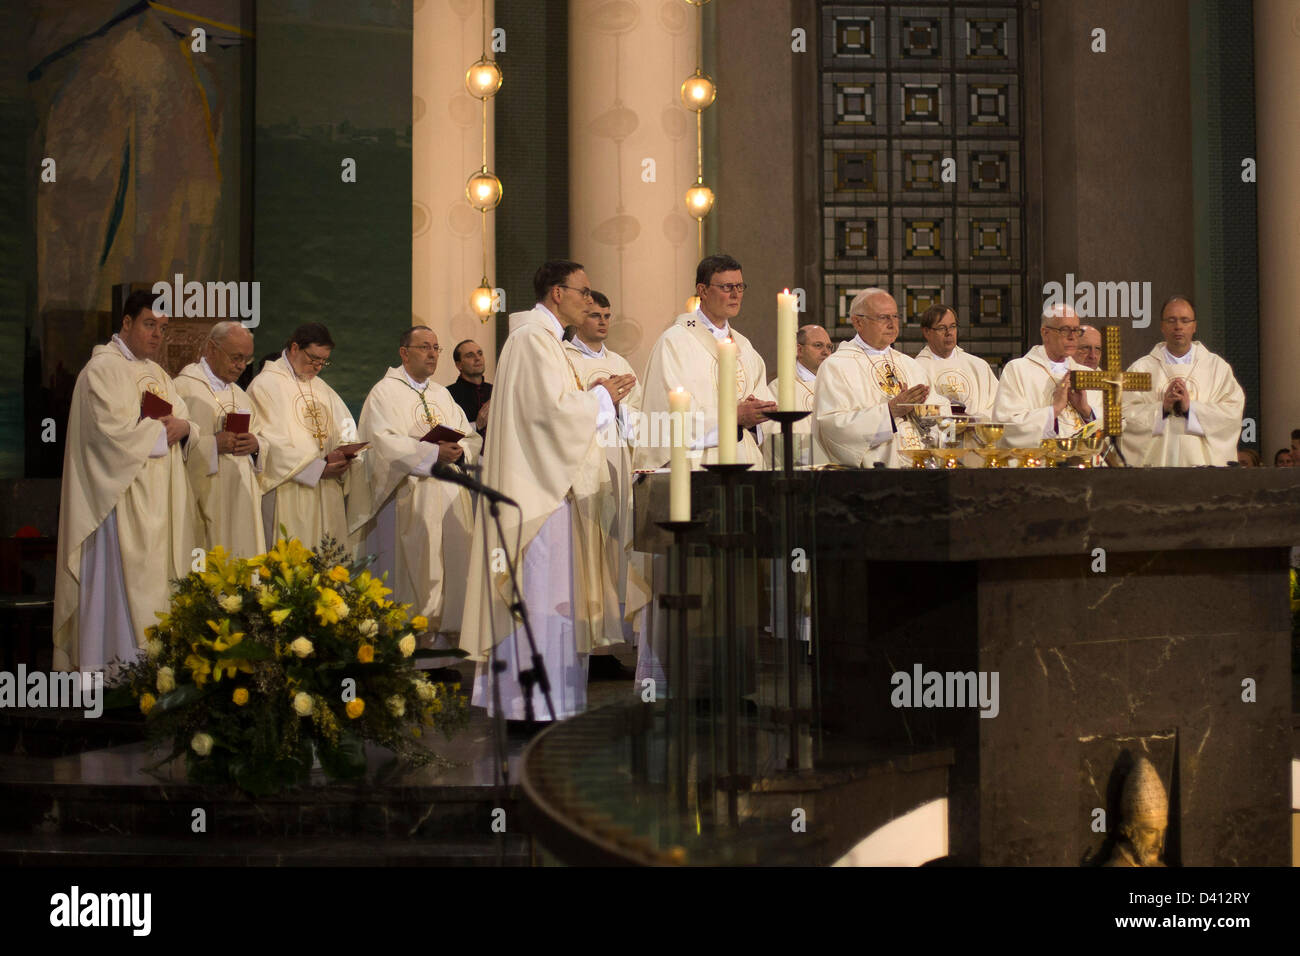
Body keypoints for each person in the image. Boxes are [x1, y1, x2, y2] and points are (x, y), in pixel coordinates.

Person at [461, 260, 625, 723]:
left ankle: (546, 703)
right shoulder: (534, 339)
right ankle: (527, 706)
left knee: (552, 602)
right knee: (538, 598)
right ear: (558, 293)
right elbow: (547, 418)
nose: (590, 301)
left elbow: (554, 409)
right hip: (537, 497)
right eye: (584, 292)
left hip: (551, 491)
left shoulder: (546, 341)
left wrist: (596, 394)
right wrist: (602, 397)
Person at [53, 290, 200, 672]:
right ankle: (108, 675)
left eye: (163, 328)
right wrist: (155, 432)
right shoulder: (101, 369)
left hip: (159, 502)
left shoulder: (160, 375)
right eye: (150, 324)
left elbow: (183, 420)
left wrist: (184, 427)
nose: (157, 336)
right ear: (127, 323)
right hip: (116, 504)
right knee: (116, 591)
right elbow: (107, 434)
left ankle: (154, 678)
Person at [350, 326, 479, 642]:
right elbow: (380, 444)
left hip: (449, 497)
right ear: (404, 352)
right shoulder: (384, 393)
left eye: (436, 347)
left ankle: (444, 656)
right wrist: (432, 451)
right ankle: (413, 653)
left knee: (450, 571)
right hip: (410, 498)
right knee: (418, 573)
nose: (433, 353)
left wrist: (461, 451)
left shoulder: (441, 394)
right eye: (424, 347)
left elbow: (471, 436)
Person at [635, 254, 778, 470]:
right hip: (698, 466)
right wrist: (733, 416)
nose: (735, 295)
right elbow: (666, 416)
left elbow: (763, 413)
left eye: (740, 287)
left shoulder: (745, 347)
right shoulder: (675, 342)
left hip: (746, 463)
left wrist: (758, 412)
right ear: (702, 291)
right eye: (727, 287)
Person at [563, 291, 641, 656]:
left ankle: (610, 645)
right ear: (580, 318)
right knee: (585, 551)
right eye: (595, 315)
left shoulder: (620, 362)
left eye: (608, 315)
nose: (603, 322)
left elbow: (642, 417)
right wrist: (598, 400)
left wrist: (622, 410)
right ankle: (584, 641)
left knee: (615, 547)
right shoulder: (565, 361)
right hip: (582, 465)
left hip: (618, 461)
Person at [246, 323, 362, 550]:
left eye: (323, 361)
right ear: (294, 348)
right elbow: (269, 442)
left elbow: (346, 426)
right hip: (289, 490)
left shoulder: (321, 387)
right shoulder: (266, 385)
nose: (318, 367)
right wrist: (316, 468)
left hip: (326, 492)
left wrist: (346, 452)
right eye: (313, 359)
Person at [813, 288, 946, 467]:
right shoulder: (836, 366)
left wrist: (930, 412)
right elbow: (832, 427)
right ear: (858, 322)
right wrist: (889, 412)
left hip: (922, 469)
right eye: (883, 317)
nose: (892, 324)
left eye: (895, 316)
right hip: (873, 478)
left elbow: (939, 413)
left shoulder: (910, 365)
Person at [173, 321, 266, 557]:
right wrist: (213, 445)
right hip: (202, 501)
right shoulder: (182, 390)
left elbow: (261, 439)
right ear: (212, 349)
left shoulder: (242, 396)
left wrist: (255, 446)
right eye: (235, 357)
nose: (241, 366)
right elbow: (172, 451)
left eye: (247, 359)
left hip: (241, 503)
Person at [1119, 296, 1245, 467]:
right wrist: (1162, 409)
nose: (1178, 327)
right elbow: (1124, 415)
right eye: (1171, 320)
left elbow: (1232, 413)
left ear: (1194, 326)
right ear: (1162, 326)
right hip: (1156, 466)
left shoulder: (1216, 367)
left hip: (1203, 466)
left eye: (1185, 321)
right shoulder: (1142, 368)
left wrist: (1191, 409)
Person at [992, 303, 1101, 447]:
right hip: (1040, 464)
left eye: (1076, 330)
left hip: (1083, 463)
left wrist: (1086, 411)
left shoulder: (1087, 375)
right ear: (1045, 333)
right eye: (1065, 330)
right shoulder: (1018, 370)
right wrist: (1054, 410)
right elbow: (1006, 427)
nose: (1072, 337)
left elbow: (1107, 431)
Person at [913, 304, 1000, 420]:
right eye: (941, 328)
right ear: (926, 332)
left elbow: (998, 405)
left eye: (953, 326)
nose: (949, 333)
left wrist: (977, 419)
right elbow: (916, 411)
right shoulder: (916, 369)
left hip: (975, 436)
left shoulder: (978, 366)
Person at [766, 324, 833, 465]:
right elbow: (776, 435)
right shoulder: (780, 387)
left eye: (829, 347)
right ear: (799, 349)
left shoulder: (838, 384)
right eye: (818, 345)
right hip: (805, 469)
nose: (826, 352)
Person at [446, 339, 492, 438]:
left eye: (480, 353)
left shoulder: (495, 391)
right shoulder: (447, 394)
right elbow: (447, 435)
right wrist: (477, 425)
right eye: (470, 355)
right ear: (459, 365)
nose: (477, 358)